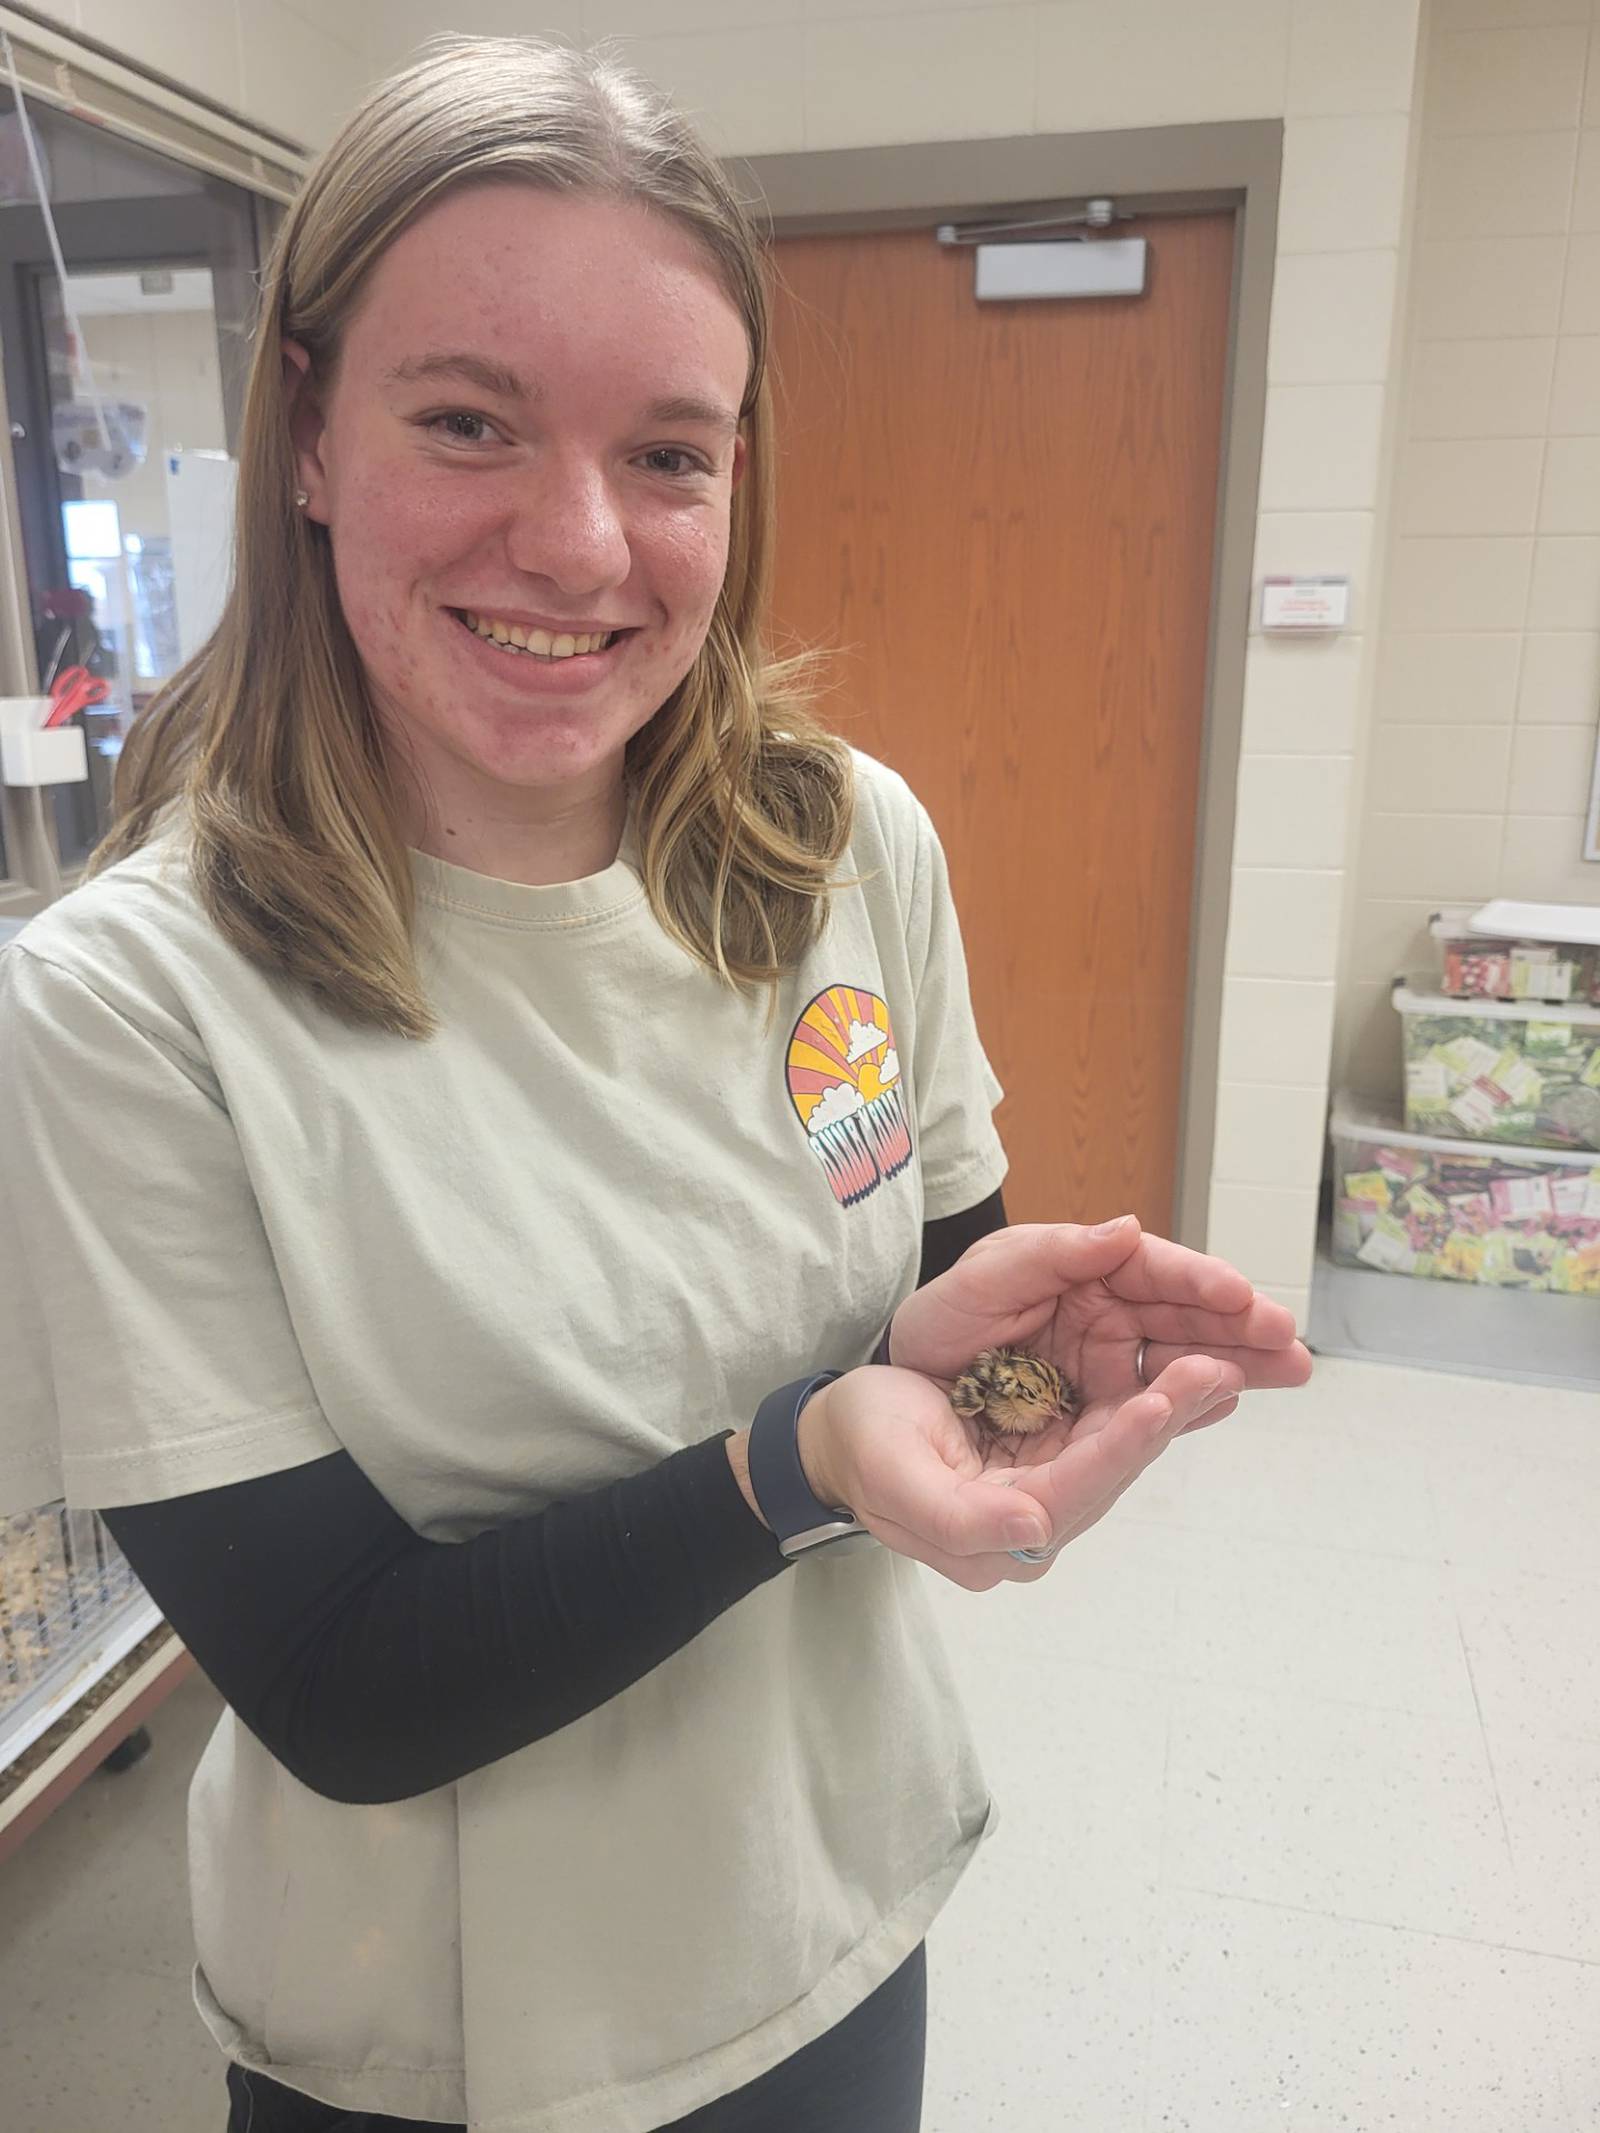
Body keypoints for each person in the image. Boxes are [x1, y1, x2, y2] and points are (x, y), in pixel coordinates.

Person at [0, 36, 1310, 2133]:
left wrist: (985, 1358)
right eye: (466, 422)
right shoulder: (136, 1001)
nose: (581, 544)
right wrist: (793, 1457)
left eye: (671, 455)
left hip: (825, 1907)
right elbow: (339, 1675)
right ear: (312, 429)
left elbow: (918, 1276)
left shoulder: (832, 841)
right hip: (430, 2045)